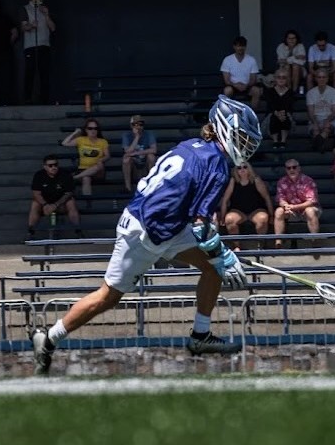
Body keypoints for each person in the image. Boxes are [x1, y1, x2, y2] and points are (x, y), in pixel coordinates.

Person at [29, 96, 260, 376]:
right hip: (148, 231)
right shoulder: (217, 165)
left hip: (162, 223)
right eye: (242, 137)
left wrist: (219, 256)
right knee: (108, 297)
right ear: (225, 129)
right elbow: (201, 226)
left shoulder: (192, 145)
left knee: (213, 268)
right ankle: (49, 339)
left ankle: (200, 336)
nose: (246, 145)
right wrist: (223, 254)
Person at [27, 155, 82, 240]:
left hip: (61, 204)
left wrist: (55, 205)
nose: (54, 167)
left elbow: (69, 193)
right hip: (45, 204)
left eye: (55, 165)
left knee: (71, 203)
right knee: (35, 204)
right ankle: (30, 232)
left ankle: (78, 231)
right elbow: (36, 193)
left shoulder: (65, 174)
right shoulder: (39, 175)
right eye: (50, 165)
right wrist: (45, 205)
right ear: (45, 167)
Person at [220, 164, 274, 242]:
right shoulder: (233, 181)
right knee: (229, 219)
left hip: (256, 210)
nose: (242, 169)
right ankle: (237, 245)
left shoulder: (256, 180)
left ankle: (260, 244)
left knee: (262, 219)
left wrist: (271, 215)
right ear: (236, 171)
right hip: (238, 211)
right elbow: (225, 200)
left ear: (249, 168)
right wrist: (222, 217)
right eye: (239, 168)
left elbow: (267, 197)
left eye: (245, 167)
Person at [21, 0, 56, 104]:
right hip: (30, 46)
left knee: (44, 72)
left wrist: (46, 15)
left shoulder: (44, 9)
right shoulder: (25, 9)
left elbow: (53, 28)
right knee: (30, 71)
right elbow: (23, 27)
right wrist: (31, 26)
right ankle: (28, 98)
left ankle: (44, 99)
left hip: (44, 44)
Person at [62, 118, 110, 196]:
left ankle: (75, 177)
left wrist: (101, 159)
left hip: (98, 171)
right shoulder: (81, 140)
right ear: (86, 130)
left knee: (99, 164)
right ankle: (88, 200)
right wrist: (75, 133)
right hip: (83, 169)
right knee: (86, 178)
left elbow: (107, 156)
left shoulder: (103, 142)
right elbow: (64, 143)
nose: (93, 130)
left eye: (95, 128)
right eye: (90, 128)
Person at [220, 35, 262, 108]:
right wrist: (236, 85)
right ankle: (228, 112)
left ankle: (252, 112)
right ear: (234, 47)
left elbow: (253, 79)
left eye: (242, 46)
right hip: (232, 86)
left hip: (247, 86)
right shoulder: (227, 60)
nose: (240, 48)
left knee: (257, 91)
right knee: (227, 91)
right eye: (238, 46)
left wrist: (246, 85)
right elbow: (226, 80)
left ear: (245, 47)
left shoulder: (251, 60)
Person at [120, 115, 157, 193]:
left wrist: (137, 152)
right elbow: (127, 152)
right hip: (133, 166)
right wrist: (137, 137)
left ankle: (151, 185)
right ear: (131, 126)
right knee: (126, 159)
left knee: (151, 157)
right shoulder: (126, 135)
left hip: (145, 165)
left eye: (141, 124)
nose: (138, 127)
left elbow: (154, 150)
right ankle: (128, 187)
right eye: (135, 124)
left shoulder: (149, 134)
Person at [275, 29, 307, 95]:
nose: (291, 40)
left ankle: (294, 91)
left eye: (293, 38)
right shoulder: (281, 47)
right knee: (287, 66)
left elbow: (302, 62)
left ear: (296, 39)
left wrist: (287, 60)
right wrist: (295, 57)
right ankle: (289, 90)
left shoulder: (300, 46)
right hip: (284, 69)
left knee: (295, 66)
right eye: (289, 38)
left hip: (299, 71)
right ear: (286, 39)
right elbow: (280, 62)